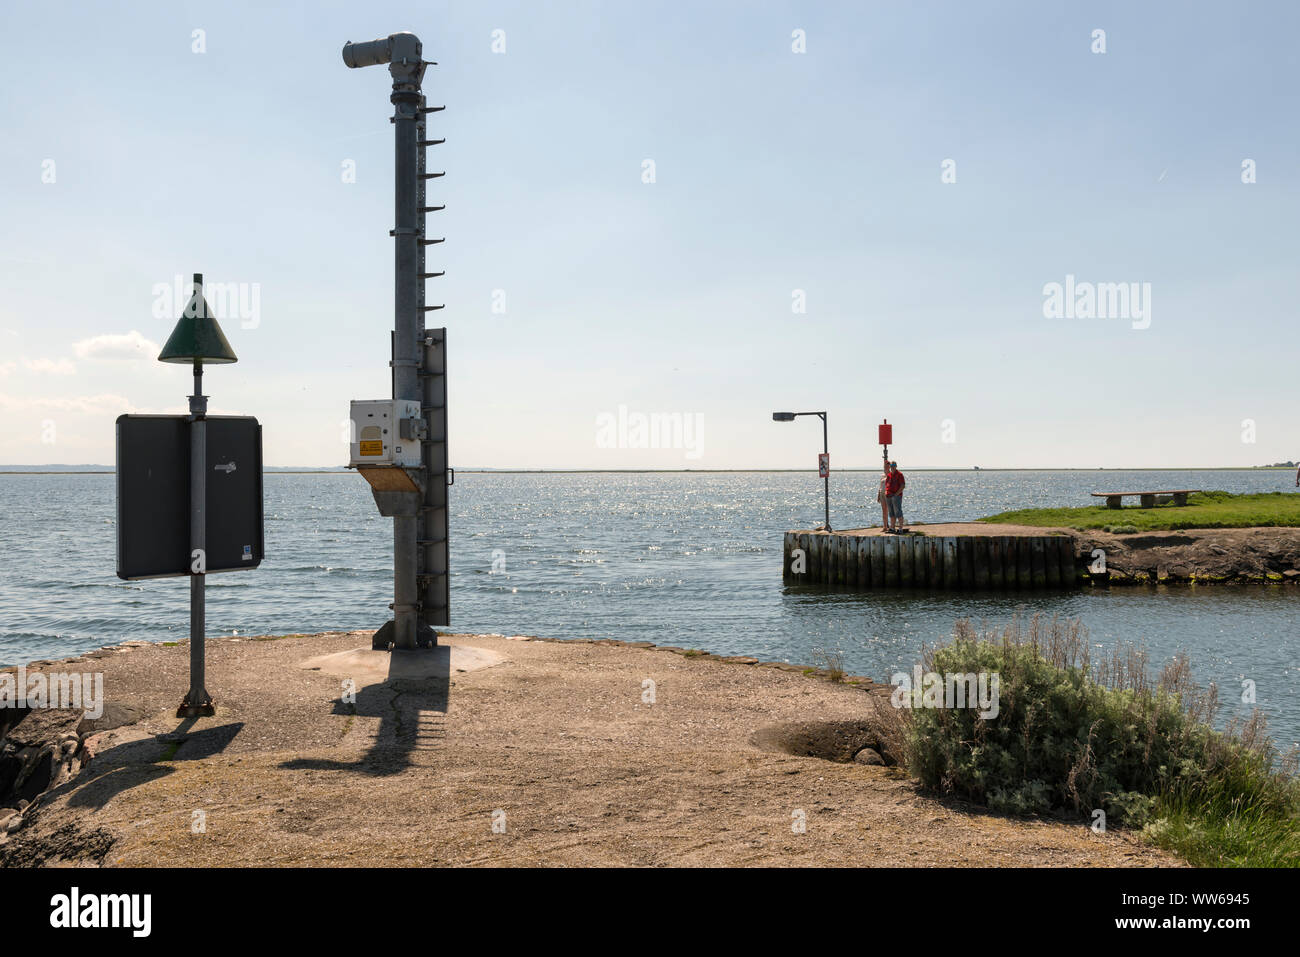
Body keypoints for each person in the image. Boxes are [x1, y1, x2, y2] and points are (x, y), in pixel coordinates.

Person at [885, 460, 906, 532]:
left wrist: (896, 494)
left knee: (898, 512)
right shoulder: (889, 475)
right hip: (888, 496)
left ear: (896, 466)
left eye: (894, 466)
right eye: (891, 466)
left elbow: (902, 486)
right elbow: (886, 485)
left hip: (896, 496)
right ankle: (892, 528)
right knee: (891, 512)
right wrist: (886, 493)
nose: (892, 467)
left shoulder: (900, 474)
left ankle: (900, 528)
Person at [876, 465, 890, 529]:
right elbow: (880, 487)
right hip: (881, 493)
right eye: (885, 467)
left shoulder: (890, 475)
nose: (885, 468)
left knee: (890, 510)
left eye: (887, 467)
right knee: (884, 510)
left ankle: (891, 526)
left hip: (888, 494)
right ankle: (885, 526)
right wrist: (878, 496)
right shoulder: (882, 476)